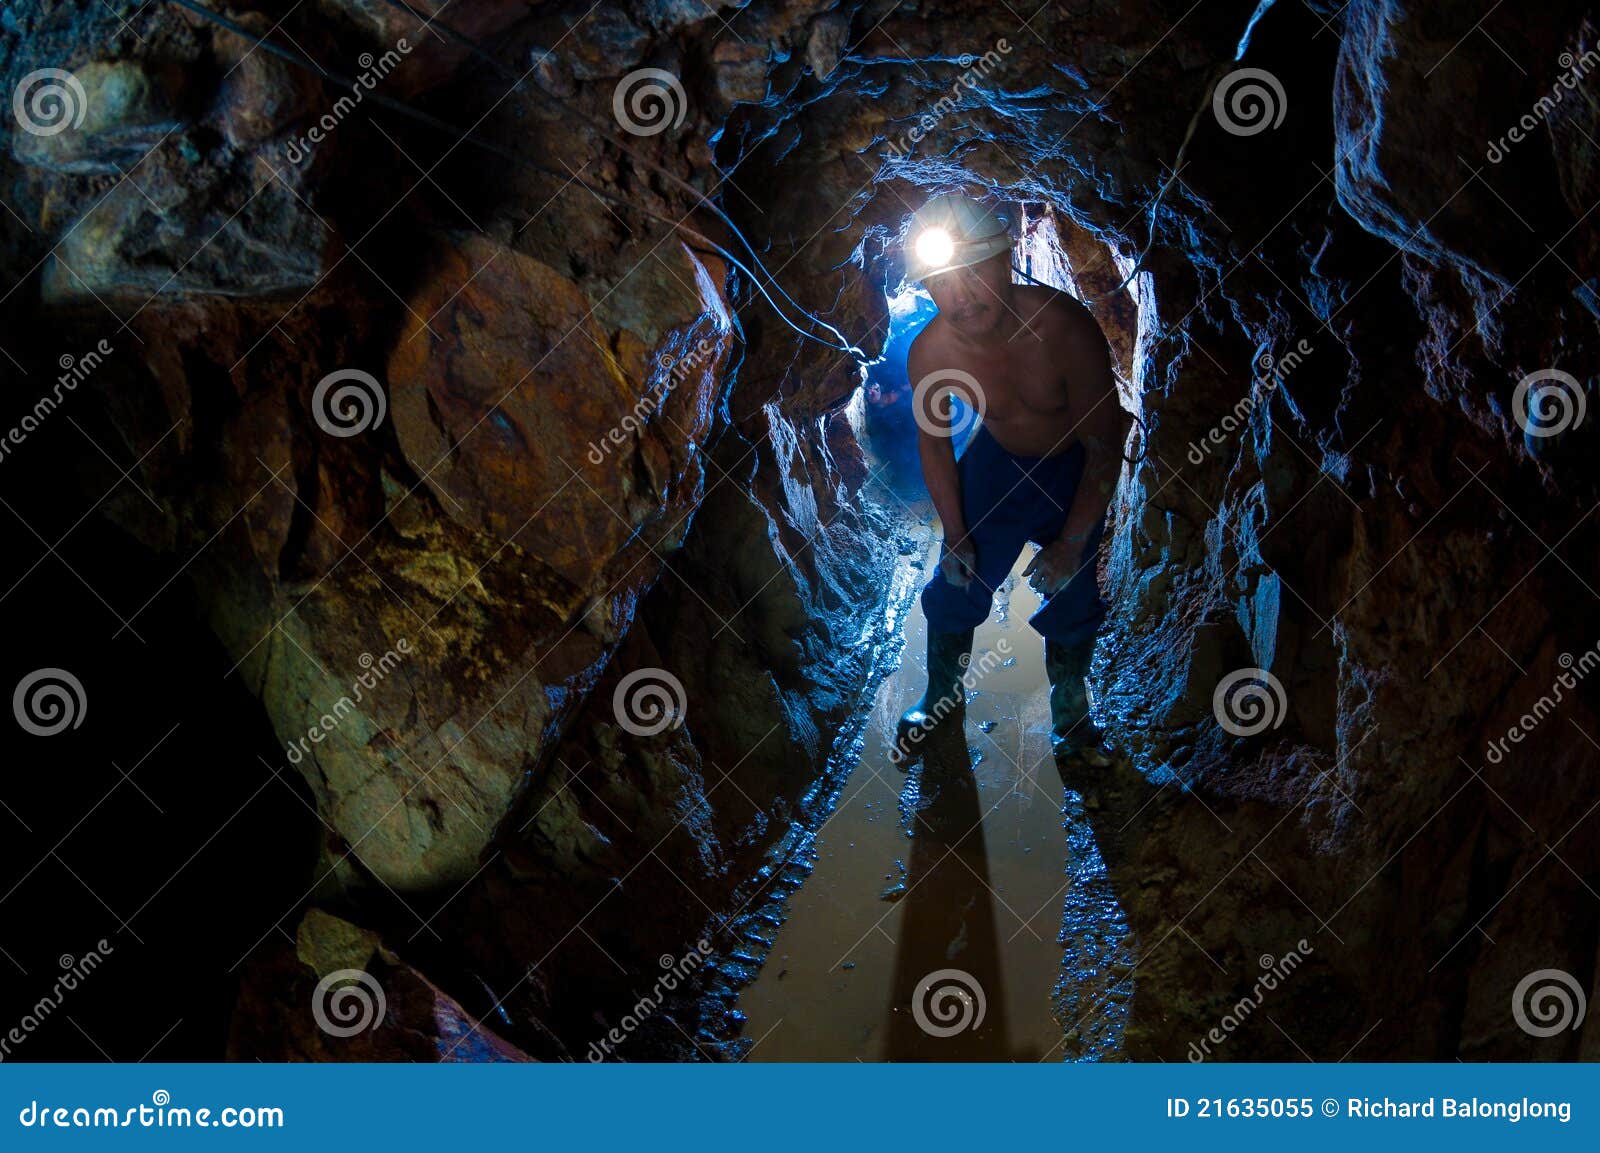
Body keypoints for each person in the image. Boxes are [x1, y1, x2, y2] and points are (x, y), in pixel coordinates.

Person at [896, 193, 1130, 763]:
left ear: (1009, 260)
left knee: (1073, 592)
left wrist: (1072, 543)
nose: (961, 294)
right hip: (996, 465)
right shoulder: (931, 354)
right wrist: (954, 532)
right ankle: (938, 697)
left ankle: (1071, 715)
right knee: (956, 581)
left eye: (976, 271)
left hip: (1071, 464)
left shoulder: (1062, 327)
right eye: (942, 281)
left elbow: (1105, 443)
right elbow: (935, 446)